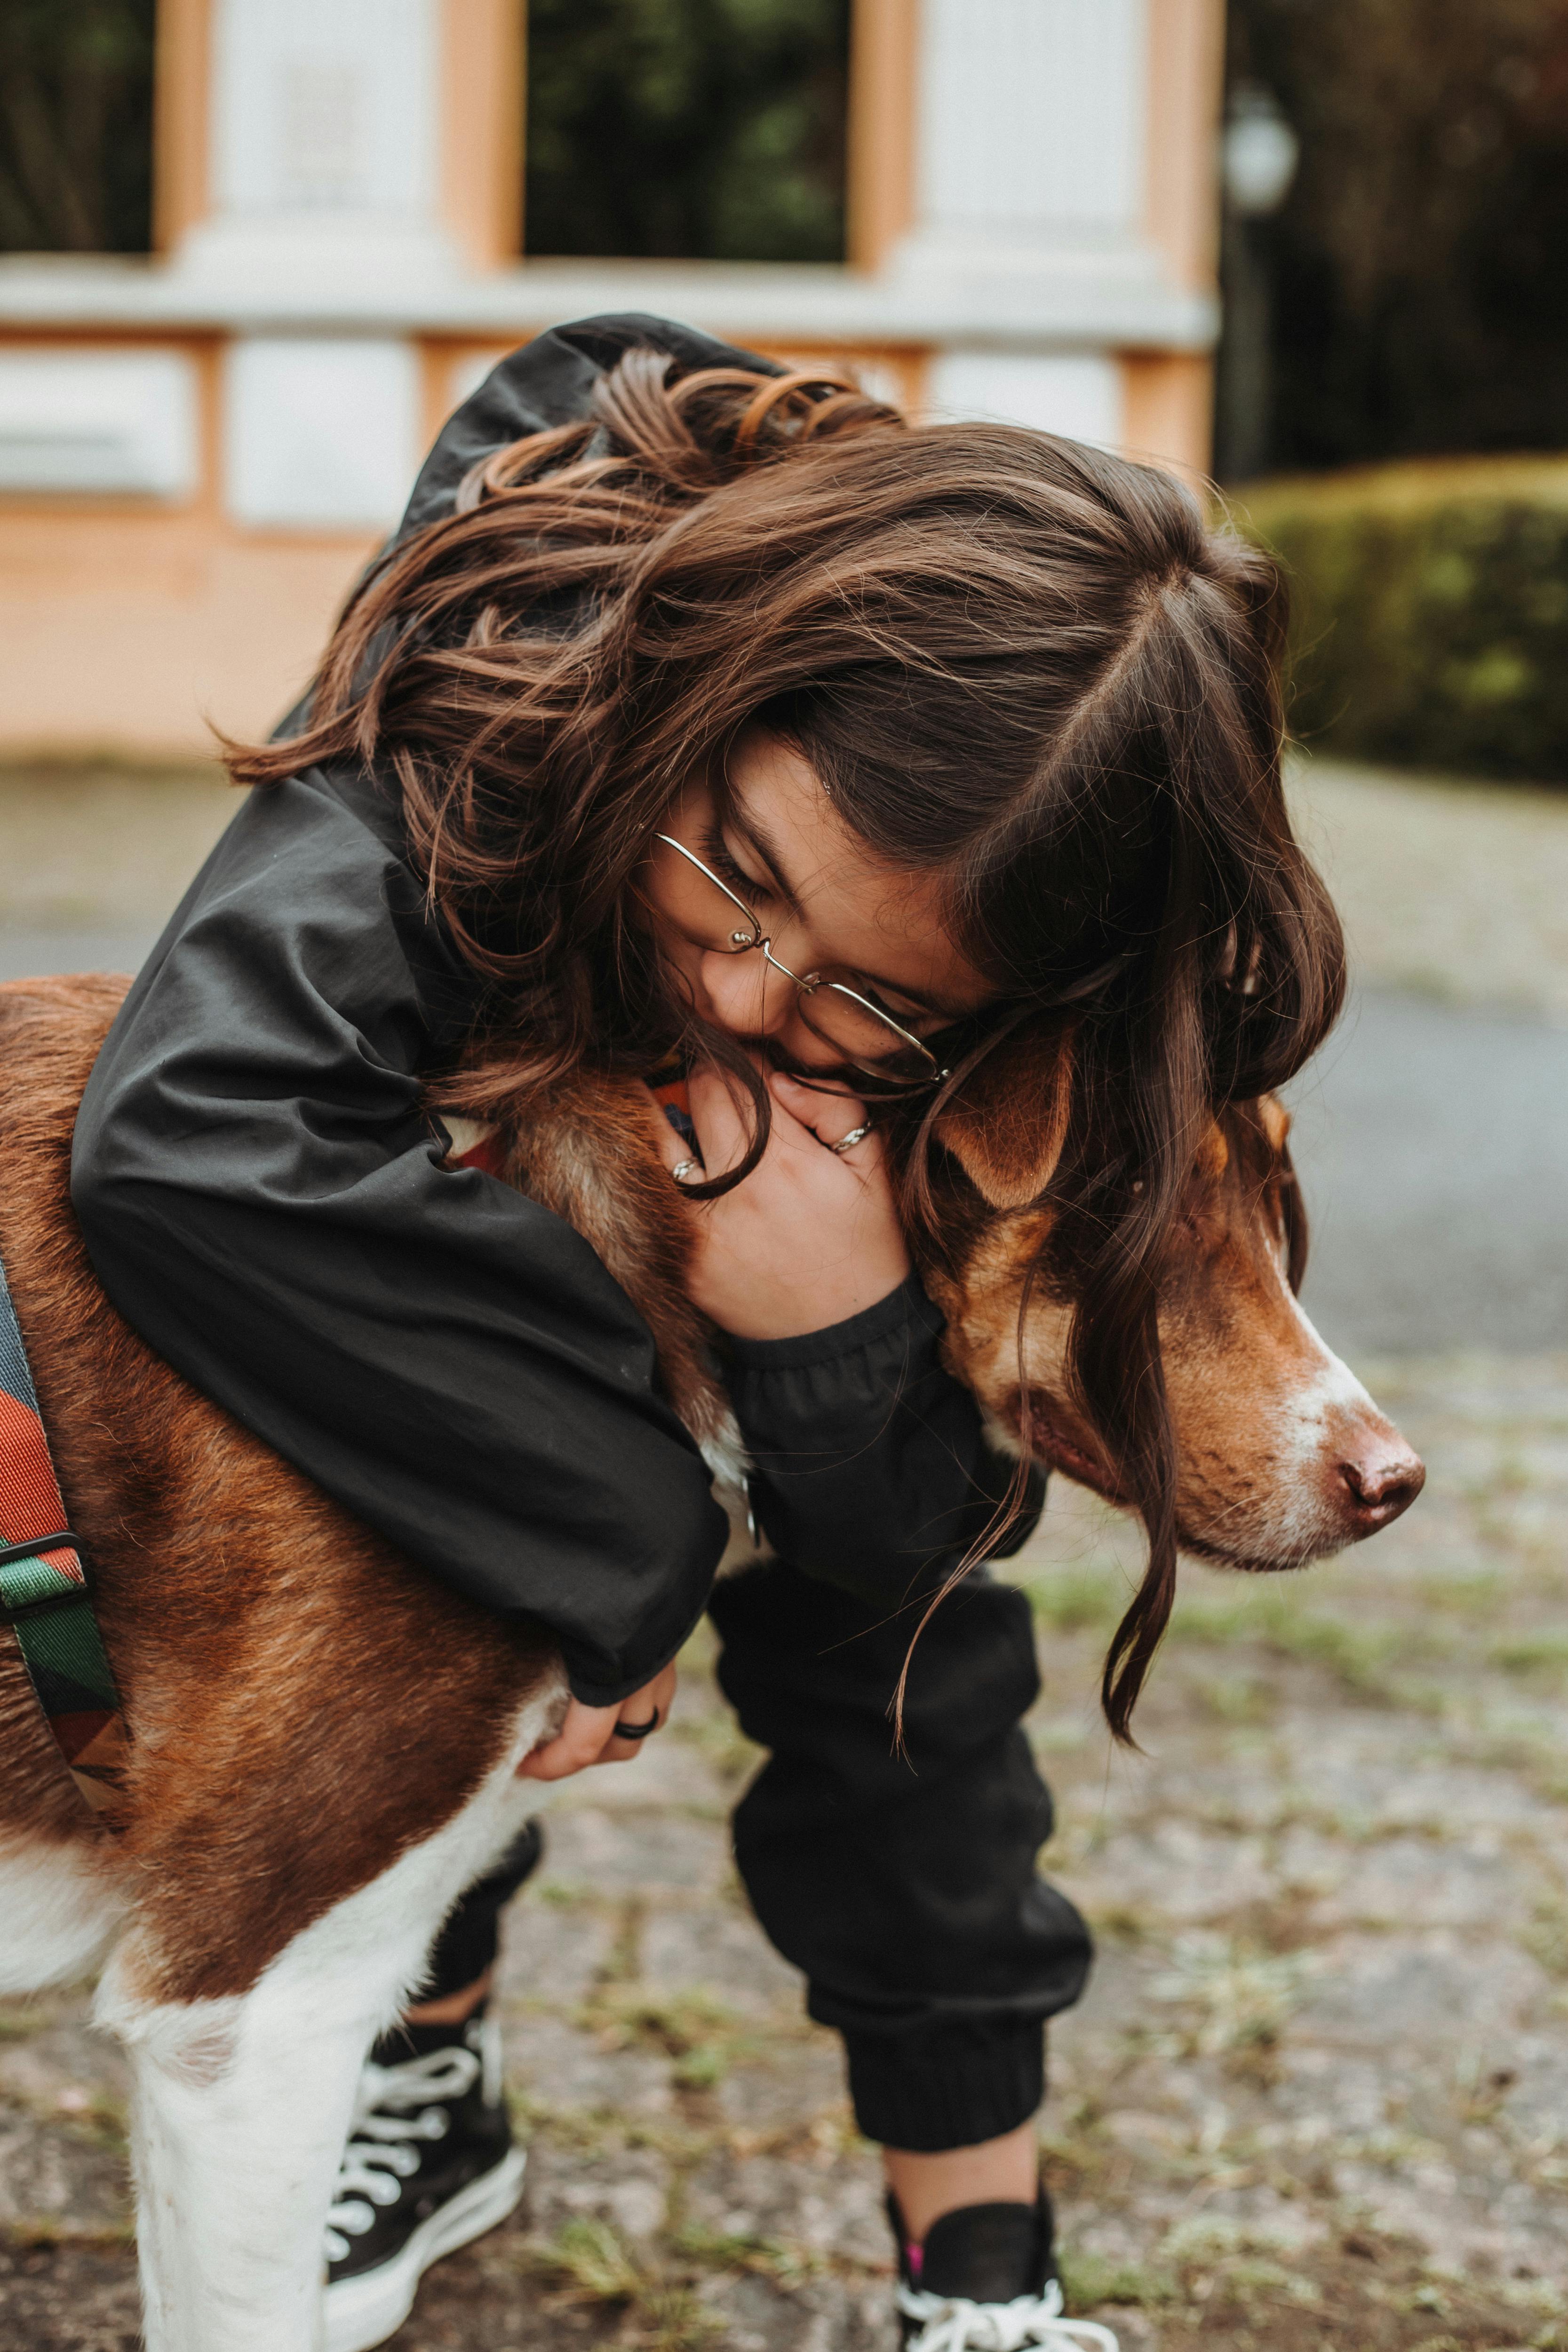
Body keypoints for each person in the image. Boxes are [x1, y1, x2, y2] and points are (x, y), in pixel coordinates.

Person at [70, 315, 1342, 2352]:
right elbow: (192, 1131)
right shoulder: (531, 614)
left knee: (888, 1555)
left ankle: (983, 2266)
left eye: (863, 994)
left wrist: (835, 1326)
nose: (751, 993)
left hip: (773, 1214)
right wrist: (624, 1558)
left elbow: (910, 1588)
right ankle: (418, 2032)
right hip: (380, 1164)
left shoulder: (1053, 908)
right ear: (727, 691)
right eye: (740, 881)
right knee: (450, 1470)